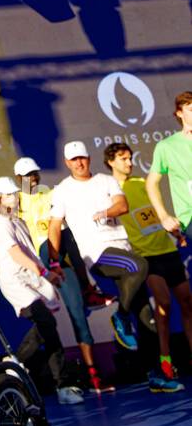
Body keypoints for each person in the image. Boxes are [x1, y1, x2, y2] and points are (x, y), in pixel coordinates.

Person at [14, 156, 114, 393]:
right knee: (43, 325)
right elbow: (10, 236)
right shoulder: (13, 202)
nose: (34, 178)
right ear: (19, 179)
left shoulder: (49, 193)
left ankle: (93, 376)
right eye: (28, 175)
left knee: (78, 314)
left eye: (35, 173)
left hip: (55, 260)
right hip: (34, 266)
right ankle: (14, 368)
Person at [49, 141, 154, 355]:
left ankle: (156, 375)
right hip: (97, 253)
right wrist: (53, 261)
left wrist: (105, 213)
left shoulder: (105, 180)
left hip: (122, 248)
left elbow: (122, 206)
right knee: (140, 266)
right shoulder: (62, 191)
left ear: (89, 158)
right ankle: (121, 316)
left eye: (82, 158)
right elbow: (54, 228)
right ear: (67, 163)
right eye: (74, 159)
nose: (79, 163)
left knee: (145, 313)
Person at [0, 178, 84, 405]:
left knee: (48, 329)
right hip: (17, 283)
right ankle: (17, 366)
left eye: (16, 193)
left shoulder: (19, 222)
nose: (14, 197)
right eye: (8, 195)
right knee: (46, 323)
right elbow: (16, 255)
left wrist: (47, 277)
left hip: (34, 281)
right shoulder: (1, 223)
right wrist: (44, 273)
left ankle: (55, 383)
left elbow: (29, 254)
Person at [105, 142, 190, 394]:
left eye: (130, 158)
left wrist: (174, 230)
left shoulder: (143, 183)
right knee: (162, 305)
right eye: (123, 159)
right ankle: (165, 364)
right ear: (111, 161)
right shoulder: (110, 189)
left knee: (187, 302)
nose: (129, 163)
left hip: (168, 250)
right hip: (145, 256)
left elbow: (157, 212)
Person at [146, 90, 192, 243]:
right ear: (180, 113)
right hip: (190, 218)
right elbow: (152, 183)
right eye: (191, 110)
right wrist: (163, 216)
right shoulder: (167, 146)